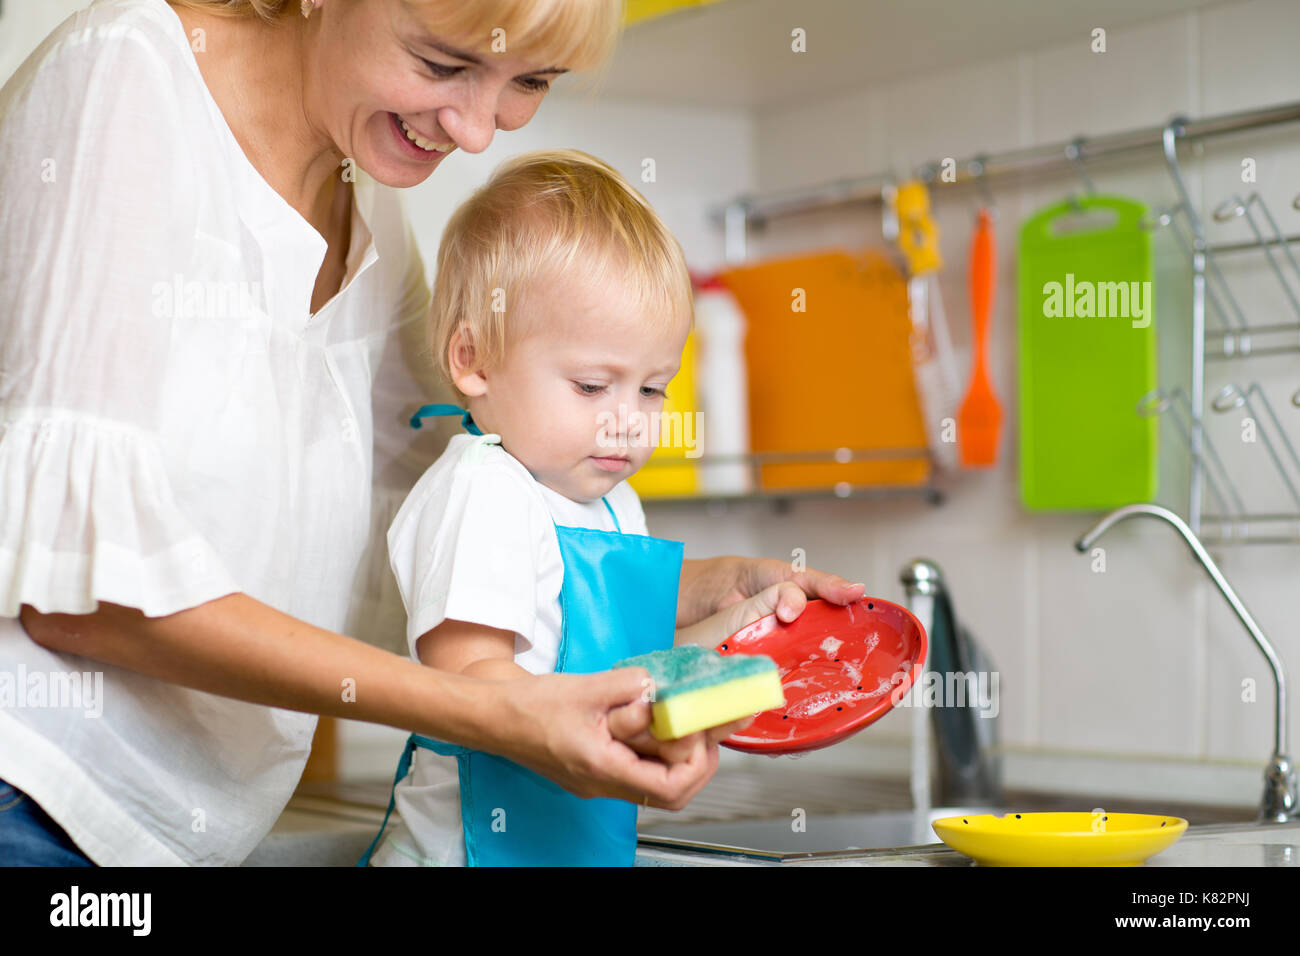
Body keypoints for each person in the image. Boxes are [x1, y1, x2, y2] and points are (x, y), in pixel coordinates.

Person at [0, 0, 865, 867]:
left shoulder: (363, 191)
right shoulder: (126, 81)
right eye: (442, 64)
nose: (478, 131)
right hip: (34, 800)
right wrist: (500, 713)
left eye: (529, 81)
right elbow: (83, 597)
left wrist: (704, 589)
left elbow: (484, 524)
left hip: (177, 842)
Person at [362, 149, 793, 867]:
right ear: (474, 360)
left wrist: (747, 630)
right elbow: (466, 680)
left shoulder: (614, 504)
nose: (627, 420)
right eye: (593, 387)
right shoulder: (484, 489)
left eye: (653, 389)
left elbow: (629, 667)